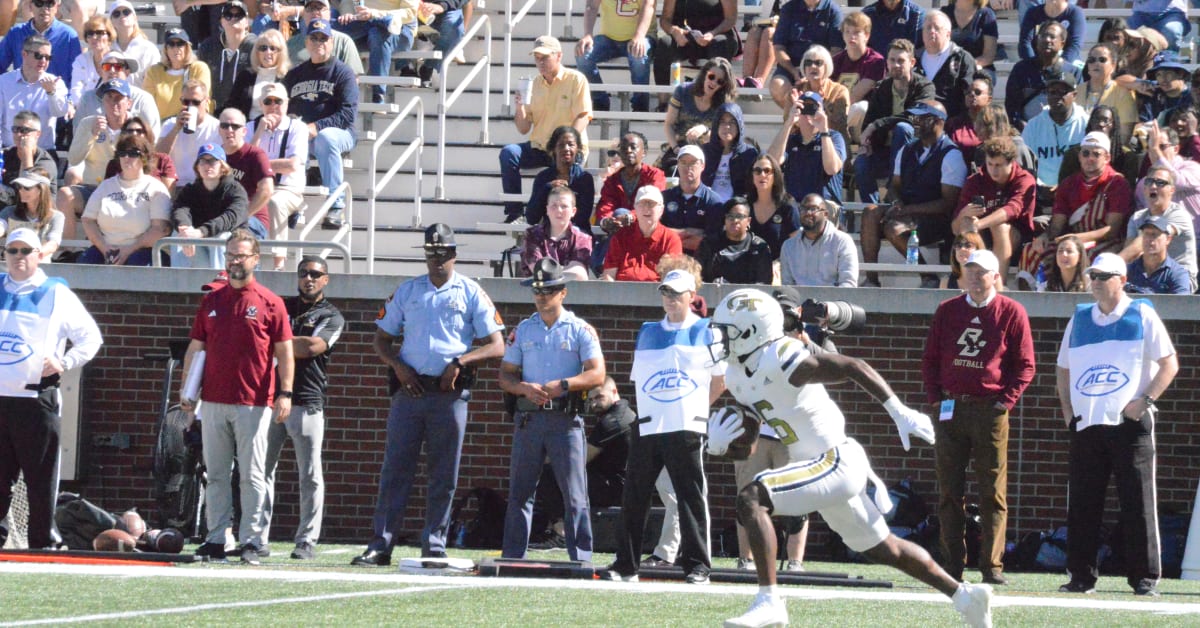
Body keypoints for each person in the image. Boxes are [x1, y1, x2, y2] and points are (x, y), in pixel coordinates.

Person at [707, 288, 993, 628]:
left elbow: (854, 366)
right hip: (814, 465)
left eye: (728, 330)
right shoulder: (739, 374)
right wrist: (723, 447)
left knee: (752, 498)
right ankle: (966, 596)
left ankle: (770, 601)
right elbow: (750, 444)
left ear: (753, 331)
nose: (721, 338)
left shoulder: (781, 355)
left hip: (835, 459)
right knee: (885, 548)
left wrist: (899, 412)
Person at [352, 224, 505, 565]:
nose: (437, 261)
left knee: (443, 473)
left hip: (449, 394)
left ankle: (434, 544)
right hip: (410, 390)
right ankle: (381, 544)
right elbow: (381, 338)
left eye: (444, 254)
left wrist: (461, 361)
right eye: (431, 254)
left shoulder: (470, 292)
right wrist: (397, 365)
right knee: (395, 470)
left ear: (455, 255)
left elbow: (496, 345)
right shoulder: (407, 291)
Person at [1055, 252, 1178, 597]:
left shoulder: (1143, 314)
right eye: (1093, 275)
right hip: (1087, 424)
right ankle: (1080, 576)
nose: (1096, 282)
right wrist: (1068, 411)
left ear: (1122, 280)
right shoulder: (1080, 317)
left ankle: (1145, 578)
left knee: (1138, 503)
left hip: (1129, 425)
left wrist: (1145, 402)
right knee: (1082, 504)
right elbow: (1063, 368)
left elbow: (1169, 364)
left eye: (1104, 276)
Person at [603, 266, 725, 585]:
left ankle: (698, 565)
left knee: (690, 496)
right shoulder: (647, 330)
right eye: (666, 293)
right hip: (649, 425)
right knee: (635, 495)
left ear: (691, 297)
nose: (670, 299)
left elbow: (721, 380)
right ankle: (625, 565)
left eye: (676, 294)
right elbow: (642, 381)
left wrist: (697, 408)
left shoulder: (708, 330)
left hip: (686, 425)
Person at [179, 229, 293, 564]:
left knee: (252, 474)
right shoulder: (211, 300)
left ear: (256, 259)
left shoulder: (271, 302)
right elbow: (196, 348)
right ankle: (216, 539)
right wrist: (187, 391)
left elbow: (285, 353)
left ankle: (253, 540)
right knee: (215, 473)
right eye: (230, 254)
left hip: (253, 402)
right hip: (213, 400)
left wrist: (284, 392)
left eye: (241, 255)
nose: (234, 260)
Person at [922, 249, 1035, 585]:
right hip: (951, 408)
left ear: (995, 276)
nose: (974, 276)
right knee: (949, 491)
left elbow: (1026, 365)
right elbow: (930, 359)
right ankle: (951, 564)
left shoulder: (1011, 311)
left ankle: (992, 566)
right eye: (970, 270)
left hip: (990, 409)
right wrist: (934, 399)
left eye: (981, 271)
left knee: (992, 492)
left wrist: (1006, 402)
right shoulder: (948, 310)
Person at [0, 228, 102, 550]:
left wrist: (65, 361)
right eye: (12, 250)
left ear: (39, 254)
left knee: (40, 480)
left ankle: (42, 543)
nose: (18, 257)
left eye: (25, 250)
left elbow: (91, 338)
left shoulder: (56, 293)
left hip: (36, 400)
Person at [500, 257, 605, 562]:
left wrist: (565, 384)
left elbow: (597, 373)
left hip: (564, 419)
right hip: (529, 418)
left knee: (574, 494)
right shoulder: (523, 330)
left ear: (563, 293)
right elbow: (505, 374)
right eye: (537, 291)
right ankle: (513, 557)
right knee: (520, 492)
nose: (541, 296)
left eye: (547, 290)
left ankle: (582, 558)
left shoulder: (580, 329)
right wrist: (522, 388)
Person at [256, 255, 345, 560]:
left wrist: (274, 342)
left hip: (307, 402)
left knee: (309, 475)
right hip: (270, 400)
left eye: (316, 274)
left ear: (325, 279)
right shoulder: (281, 306)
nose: (309, 278)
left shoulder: (331, 315)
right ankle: (256, 537)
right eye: (304, 273)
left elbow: (311, 347)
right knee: (261, 471)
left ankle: (306, 539)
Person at [860, 101, 967, 288]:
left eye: (921, 118)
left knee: (893, 228)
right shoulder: (907, 149)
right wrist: (897, 202)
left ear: (938, 121)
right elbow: (894, 186)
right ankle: (871, 279)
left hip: (936, 219)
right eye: (914, 118)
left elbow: (947, 204)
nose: (915, 122)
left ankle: (927, 276)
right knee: (870, 212)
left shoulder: (952, 155)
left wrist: (908, 210)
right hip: (908, 211)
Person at [531, 375, 637, 548]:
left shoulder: (612, 421)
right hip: (616, 483)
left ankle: (561, 533)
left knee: (549, 472)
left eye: (599, 397)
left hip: (614, 488)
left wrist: (549, 458)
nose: (594, 403)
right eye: (591, 399)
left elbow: (580, 460)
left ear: (614, 391)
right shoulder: (623, 413)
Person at [499, 36, 591, 222]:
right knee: (509, 153)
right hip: (540, 147)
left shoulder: (576, 79)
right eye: (537, 57)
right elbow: (523, 128)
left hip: (566, 150)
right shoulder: (533, 84)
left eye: (545, 57)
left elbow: (584, 116)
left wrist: (567, 144)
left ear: (559, 56)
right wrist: (519, 107)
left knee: (561, 185)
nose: (540, 62)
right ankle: (514, 212)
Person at [1021, 131, 1132, 285]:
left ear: (1107, 158)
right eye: (1085, 153)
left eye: (1096, 154)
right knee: (1031, 250)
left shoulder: (1117, 183)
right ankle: (1035, 298)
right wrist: (1045, 237)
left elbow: (1111, 231)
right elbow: (1057, 224)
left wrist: (1075, 240)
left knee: (1085, 253)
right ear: (1079, 157)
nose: (1090, 158)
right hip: (1072, 238)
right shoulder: (1068, 184)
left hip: (1103, 242)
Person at [282, 18, 358, 228]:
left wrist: (317, 127)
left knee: (324, 138)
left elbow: (348, 114)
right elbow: (283, 107)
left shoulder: (343, 72)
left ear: (332, 42)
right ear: (306, 42)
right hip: (304, 136)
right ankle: (293, 203)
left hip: (339, 134)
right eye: (314, 38)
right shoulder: (295, 74)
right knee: (291, 137)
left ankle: (336, 205)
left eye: (323, 38)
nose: (318, 43)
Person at [854, 39, 936, 205]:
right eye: (892, 60)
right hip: (885, 152)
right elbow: (869, 122)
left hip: (915, 154)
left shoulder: (925, 87)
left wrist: (877, 125)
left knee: (903, 128)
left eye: (901, 61)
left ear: (912, 62)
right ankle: (873, 208)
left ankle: (894, 190)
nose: (896, 65)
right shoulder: (882, 87)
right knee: (861, 162)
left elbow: (915, 117)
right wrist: (867, 144)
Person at [79, 133, 172, 266]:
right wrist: (104, 248)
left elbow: (159, 229)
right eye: (122, 153)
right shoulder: (106, 186)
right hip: (106, 249)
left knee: (136, 264)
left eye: (133, 153)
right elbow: (88, 220)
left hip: (144, 251)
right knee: (85, 263)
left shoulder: (155, 188)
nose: (126, 158)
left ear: (144, 158)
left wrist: (128, 251)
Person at [953, 136, 1037, 282]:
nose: (993, 170)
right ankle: (966, 283)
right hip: (982, 236)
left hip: (1018, 237)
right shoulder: (975, 181)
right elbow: (955, 229)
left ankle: (998, 287)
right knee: (966, 223)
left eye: (999, 165)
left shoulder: (1024, 179)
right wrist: (963, 214)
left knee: (1000, 228)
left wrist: (979, 224)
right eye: (990, 164)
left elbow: (1013, 209)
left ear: (1011, 162)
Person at [247, 84, 308, 270]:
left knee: (274, 202)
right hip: (257, 188)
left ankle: (278, 264)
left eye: (278, 101)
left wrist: (259, 165)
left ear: (287, 104)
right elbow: (244, 162)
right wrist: (259, 132)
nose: (273, 106)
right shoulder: (250, 127)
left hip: (288, 189)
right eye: (268, 101)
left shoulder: (297, 127)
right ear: (261, 104)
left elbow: (291, 165)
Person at [170, 143, 249, 269]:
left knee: (220, 238)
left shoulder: (236, 190)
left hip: (232, 250)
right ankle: (179, 286)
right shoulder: (190, 190)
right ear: (197, 167)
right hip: (199, 244)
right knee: (177, 234)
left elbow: (230, 217)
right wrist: (185, 229)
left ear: (222, 166)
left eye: (212, 161)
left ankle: (220, 285)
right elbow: (180, 209)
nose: (207, 165)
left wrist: (201, 232)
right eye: (202, 161)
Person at [1124, 164, 1197, 291]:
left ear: (1172, 190)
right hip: (1147, 274)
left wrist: (1110, 265)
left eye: (1160, 183)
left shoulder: (1179, 215)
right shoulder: (1137, 217)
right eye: (1149, 181)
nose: (1153, 186)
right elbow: (1130, 251)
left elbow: (1146, 241)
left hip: (1179, 277)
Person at [767, 90, 846, 205]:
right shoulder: (791, 140)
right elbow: (772, 161)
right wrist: (789, 122)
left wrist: (824, 130)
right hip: (795, 206)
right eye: (804, 108)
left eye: (813, 108)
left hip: (825, 206)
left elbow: (831, 169)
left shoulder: (834, 137)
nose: (808, 113)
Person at [574, 0, 654, 112]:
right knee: (583, 54)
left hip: (641, 37)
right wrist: (588, 35)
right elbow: (591, 6)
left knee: (638, 55)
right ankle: (600, 102)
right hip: (609, 38)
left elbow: (648, 6)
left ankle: (640, 107)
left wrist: (639, 36)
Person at [332, 0, 415, 103]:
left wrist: (374, 14)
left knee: (376, 33)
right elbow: (347, 2)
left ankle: (378, 95)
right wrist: (347, 14)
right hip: (363, 24)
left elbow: (410, 12)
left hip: (400, 29)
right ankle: (326, 86)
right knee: (327, 23)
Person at [661, 57, 736, 170]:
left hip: (707, 152)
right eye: (711, 77)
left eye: (719, 81)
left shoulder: (724, 104)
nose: (714, 82)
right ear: (704, 74)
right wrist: (676, 149)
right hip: (680, 147)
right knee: (672, 171)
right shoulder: (683, 91)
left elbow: (723, 136)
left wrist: (705, 130)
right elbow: (669, 124)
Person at [653, 0, 740, 96]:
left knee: (720, 44)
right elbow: (665, 19)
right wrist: (674, 31)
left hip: (718, 34)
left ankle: (715, 100)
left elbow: (730, 18)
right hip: (685, 37)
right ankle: (663, 102)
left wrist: (712, 33)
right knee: (665, 43)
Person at [0, 36, 69, 153]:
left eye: (48, 57)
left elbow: (60, 113)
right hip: (10, 151)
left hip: (43, 153)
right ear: (24, 54)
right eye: (38, 55)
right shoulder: (4, 82)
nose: (43, 61)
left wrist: (51, 93)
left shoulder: (56, 82)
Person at [1006, 22, 1081, 130]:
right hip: (1026, 131)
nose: (1047, 40)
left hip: (1063, 130)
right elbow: (1011, 105)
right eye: (1043, 35)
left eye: (1052, 36)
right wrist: (1020, 124)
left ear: (1062, 43)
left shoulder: (1073, 72)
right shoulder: (1021, 69)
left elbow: (1077, 105)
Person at [1021, 73, 1087, 194]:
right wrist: (1038, 185)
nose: (1057, 96)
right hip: (1040, 193)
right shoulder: (1033, 126)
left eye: (1062, 92)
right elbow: (1025, 167)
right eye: (1052, 92)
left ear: (1074, 95)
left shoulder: (1086, 124)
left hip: (1077, 191)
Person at [602, 186, 683, 282]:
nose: (646, 208)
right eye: (642, 203)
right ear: (635, 208)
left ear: (661, 210)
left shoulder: (670, 239)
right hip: (622, 294)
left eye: (651, 204)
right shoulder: (620, 237)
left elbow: (672, 280)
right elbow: (609, 276)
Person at [217, 107, 274, 241]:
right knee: (181, 235)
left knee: (221, 236)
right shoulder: (214, 156)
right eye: (225, 126)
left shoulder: (255, 155)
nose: (229, 130)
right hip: (220, 218)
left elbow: (267, 190)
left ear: (244, 131)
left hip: (252, 219)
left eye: (235, 126)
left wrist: (240, 216)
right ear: (219, 130)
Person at [74, 50, 161, 137]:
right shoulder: (88, 98)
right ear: (100, 72)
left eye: (118, 66)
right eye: (107, 67)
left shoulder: (143, 99)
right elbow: (78, 134)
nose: (112, 70)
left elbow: (154, 136)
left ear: (127, 72)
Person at [780, 192, 857, 287]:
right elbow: (787, 285)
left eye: (813, 209)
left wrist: (828, 302)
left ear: (825, 214)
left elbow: (848, 284)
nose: (808, 213)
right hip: (798, 300)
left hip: (833, 300)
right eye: (803, 209)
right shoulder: (789, 246)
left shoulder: (842, 241)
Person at [524, 125, 595, 229]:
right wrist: (547, 189)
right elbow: (531, 218)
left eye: (571, 145)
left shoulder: (584, 178)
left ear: (578, 148)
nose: (566, 149)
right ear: (553, 148)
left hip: (578, 235)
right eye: (561, 145)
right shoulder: (543, 177)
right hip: (549, 235)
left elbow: (583, 217)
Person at [157, 80, 222, 189]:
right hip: (174, 185)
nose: (190, 106)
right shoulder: (170, 124)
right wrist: (176, 129)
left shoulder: (217, 127)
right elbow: (158, 157)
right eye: (186, 102)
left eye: (196, 102)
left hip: (204, 186)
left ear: (207, 102)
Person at [831, 11, 885, 141]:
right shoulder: (836, 60)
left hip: (864, 120)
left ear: (866, 35)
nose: (851, 37)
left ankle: (837, 136)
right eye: (847, 32)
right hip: (838, 113)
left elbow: (855, 96)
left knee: (860, 107)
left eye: (856, 32)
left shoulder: (875, 61)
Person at [520, 184, 593, 280]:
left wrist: (552, 271)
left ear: (573, 211)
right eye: (554, 206)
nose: (559, 210)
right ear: (547, 210)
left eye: (564, 206)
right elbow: (539, 271)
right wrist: (567, 271)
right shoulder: (532, 235)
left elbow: (580, 274)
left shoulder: (583, 239)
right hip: (537, 292)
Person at [197, 1, 258, 115]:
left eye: (238, 16)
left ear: (247, 22)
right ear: (221, 21)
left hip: (246, 114)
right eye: (228, 15)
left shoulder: (257, 47)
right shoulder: (208, 47)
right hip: (213, 114)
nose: (233, 19)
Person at [661, 144, 724, 253]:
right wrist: (687, 232)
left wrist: (671, 235)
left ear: (702, 166)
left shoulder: (713, 200)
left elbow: (712, 238)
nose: (687, 167)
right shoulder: (664, 197)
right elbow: (657, 232)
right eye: (683, 162)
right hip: (669, 259)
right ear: (678, 165)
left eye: (693, 162)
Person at [914, 12, 976, 121]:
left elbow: (968, 94)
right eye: (928, 28)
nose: (932, 31)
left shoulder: (962, 59)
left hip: (952, 124)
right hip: (919, 123)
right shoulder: (914, 59)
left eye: (937, 28)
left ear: (948, 34)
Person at [0, 0, 81, 84]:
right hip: (21, 94)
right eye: (39, 3)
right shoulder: (15, 33)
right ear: (30, 6)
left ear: (57, 7)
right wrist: (8, 87)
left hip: (57, 93)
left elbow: (78, 74)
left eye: (50, 3)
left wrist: (66, 95)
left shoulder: (69, 36)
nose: (45, 8)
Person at [696, 196, 773, 284]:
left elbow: (764, 283)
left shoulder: (759, 247)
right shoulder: (709, 244)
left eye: (739, 216)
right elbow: (697, 278)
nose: (735, 220)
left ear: (748, 221)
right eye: (730, 216)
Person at [595, 131, 665, 226]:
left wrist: (631, 216)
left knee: (621, 212)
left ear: (644, 152)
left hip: (645, 226)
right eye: (624, 148)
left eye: (633, 147)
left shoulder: (654, 175)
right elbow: (606, 205)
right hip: (618, 228)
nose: (628, 150)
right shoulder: (612, 180)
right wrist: (607, 220)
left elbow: (652, 203)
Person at [778, 45, 849, 138]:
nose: (812, 66)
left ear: (826, 67)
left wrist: (822, 109)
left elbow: (839, 126)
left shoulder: (839, 91)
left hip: (832, 141)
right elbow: (788, 128)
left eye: (818, 63)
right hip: (802, 143)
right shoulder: (795, 92)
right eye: (808, 62)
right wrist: (796, 114)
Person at [143, 28, 213, 121]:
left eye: (180, 44)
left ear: (187, 47)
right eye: (171, 44)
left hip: (192, 122)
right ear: (165, 49)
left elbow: (203, 99)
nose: (176, 48)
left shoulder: (199, 68)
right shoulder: (154, 71)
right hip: (162, 125)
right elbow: (147, 104)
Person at [1077, 43, 1137, 146]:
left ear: (1113, 66)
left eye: (1102, 60)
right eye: (1091, 60)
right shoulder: (1076, 91)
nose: (1096, 63)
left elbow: (1123, 137)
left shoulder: (1123, 94)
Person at [285, 0, 364, 74]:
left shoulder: (344, 42)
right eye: (310, 9)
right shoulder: (291, 44)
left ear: (329, 14)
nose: (315, 12)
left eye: (319, 8)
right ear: (304, 15)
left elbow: (353, 79)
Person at [225, 27, 288, 119]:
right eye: (263, 48)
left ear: (280, 52)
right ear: (257, 52)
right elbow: (233, 105)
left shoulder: (288, 77)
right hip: (247, 128)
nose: (268, 52)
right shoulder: (245, 76)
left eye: (273, 48)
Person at [745, 154, 800, 259]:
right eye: (757, 171)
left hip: (779, 268)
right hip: (748, 266)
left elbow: (796, 245)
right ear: (752, 176)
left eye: (767, 171)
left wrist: (778, 264)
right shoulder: (745, 204)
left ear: (775, 175)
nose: (762, 174)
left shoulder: (788, 206)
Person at [701, 103, 758, 201]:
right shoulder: (704, 152)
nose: (727, 127)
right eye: (722, 122)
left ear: (739, 125)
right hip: (707, 206)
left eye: (732, 122)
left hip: (737, 208)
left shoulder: (749, 154)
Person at [0, 172, 63, 259]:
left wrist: (34, 256)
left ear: (41, 190)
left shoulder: (56, 216)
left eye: (27, 188)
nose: (21, 190)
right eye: (19, 187)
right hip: (12, 263)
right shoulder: (9, 211)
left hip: (41, 264)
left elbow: (53, 242)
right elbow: (1, 226)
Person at [1, 112, 59, 205]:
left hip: (35, 215)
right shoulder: (5, 154)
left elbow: (29, 195)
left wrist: (26, 153)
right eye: (15, 129)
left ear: (37, 134)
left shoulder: (45, 162)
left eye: (24, 130)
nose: (18, 134)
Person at [1125, 216, 1190, 294]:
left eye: (1154, 235)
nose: (1149, 239)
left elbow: (1182, 304)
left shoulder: (1177, 274)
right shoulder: (1128, 271)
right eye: (1146, 234)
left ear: (1168, 239)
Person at [940, 0, 998, 79]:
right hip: (948, 67)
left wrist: (966, 66)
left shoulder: (986, 14)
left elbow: (988, 56)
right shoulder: (944, 13)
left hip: (978, 67)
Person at [107, 0, 160, 87]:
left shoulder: (149, 48)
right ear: (111, 21)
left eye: (126, 12)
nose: (122, 16)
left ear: (135, 18)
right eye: (116, 14)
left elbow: (155, 81)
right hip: (113, 98)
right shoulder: (107, 48)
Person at [944, 73, 993, 165]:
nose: (972, 94)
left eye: (978, 92)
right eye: (968, 92)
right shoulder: (953, 123)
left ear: (989, 99)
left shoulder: (995, 124)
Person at [1017, 0, 1084, 64]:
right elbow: (1025, 42)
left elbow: (1075, 45)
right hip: (1037, 63)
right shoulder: (1033, 12)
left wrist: (1059, 66)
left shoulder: (1075, 13)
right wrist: (1034, 65)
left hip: (1066, 63)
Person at [69, 14, 114, 108]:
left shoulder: (119, 61)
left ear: (109, 36)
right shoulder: (81, 61)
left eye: (100, 33)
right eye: (90, 33)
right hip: (85, 113)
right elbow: (76, 91)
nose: (94, 37)